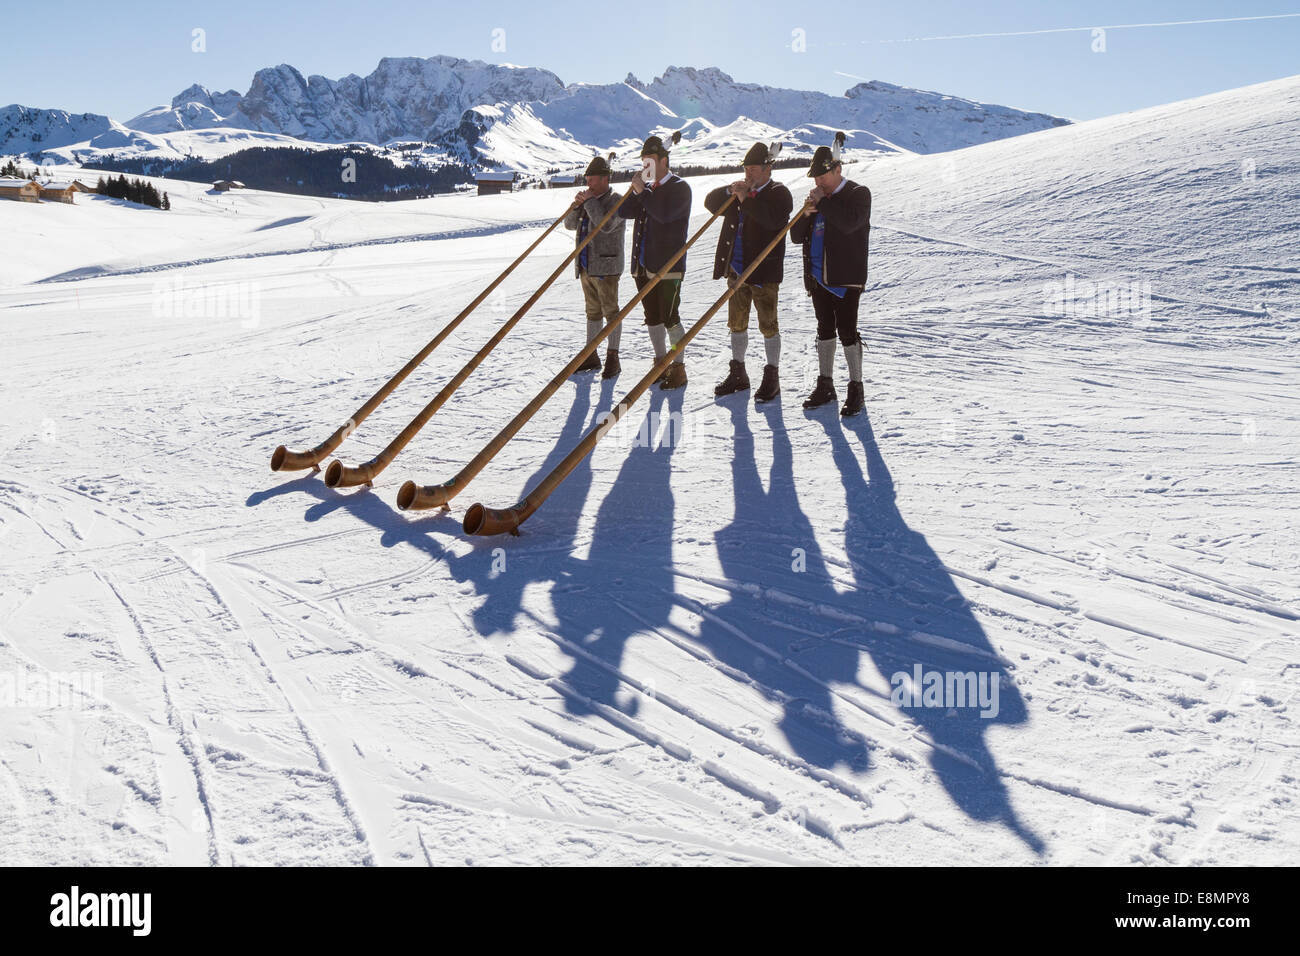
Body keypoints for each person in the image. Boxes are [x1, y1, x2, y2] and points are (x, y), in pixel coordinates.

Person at [704, 142, 793, 403]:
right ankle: (738, 372)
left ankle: (772, 376)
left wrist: (746, 198)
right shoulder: (741, 191)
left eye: (753, 169)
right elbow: (710, 203)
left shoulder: (779, 192)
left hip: (764, 272)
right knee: (737, 323)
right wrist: (730, 190)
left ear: (767, 169)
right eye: (746, 169)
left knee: (768, 324)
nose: (748, 174)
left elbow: (773, 220)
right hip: (736, 269)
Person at [790, 143, 871, 416]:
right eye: (815, 178)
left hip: (845, 277)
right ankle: (825, 384)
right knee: (824, 329)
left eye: (822, 176)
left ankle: (855, 387)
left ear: (838, 169)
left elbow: (850, 223)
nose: (818, 182)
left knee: (847, 331)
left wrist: (823, 203)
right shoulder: (818, 199)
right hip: (817, 276)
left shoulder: (858, 193)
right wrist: (805, 213)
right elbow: (795, 236)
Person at [620, 135, 692, 390]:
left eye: (649, 160)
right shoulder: (647, 190)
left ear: (664, 161)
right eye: (643, 161)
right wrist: (636, 189)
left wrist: (643, 192)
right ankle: (660, 361)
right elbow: (623, 211)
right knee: (652, 316)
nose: (645, 165)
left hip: (669, 266)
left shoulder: (679, 187)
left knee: (670, 316)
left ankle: (678, 366)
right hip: (643, 265)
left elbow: (663, 215)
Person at [563, 154, 626, 379]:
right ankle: (591, 353)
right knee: (592, 311)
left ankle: (613, 356)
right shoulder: (589, 200)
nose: (588, 182)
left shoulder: (617, 199)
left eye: (592, 179)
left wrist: (588, 202)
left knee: (611, 311)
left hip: (607, 266)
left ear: (604, 179)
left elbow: (605, 224)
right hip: (586, 265)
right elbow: (569, 225)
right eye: (587, 178)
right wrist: (576, 206)